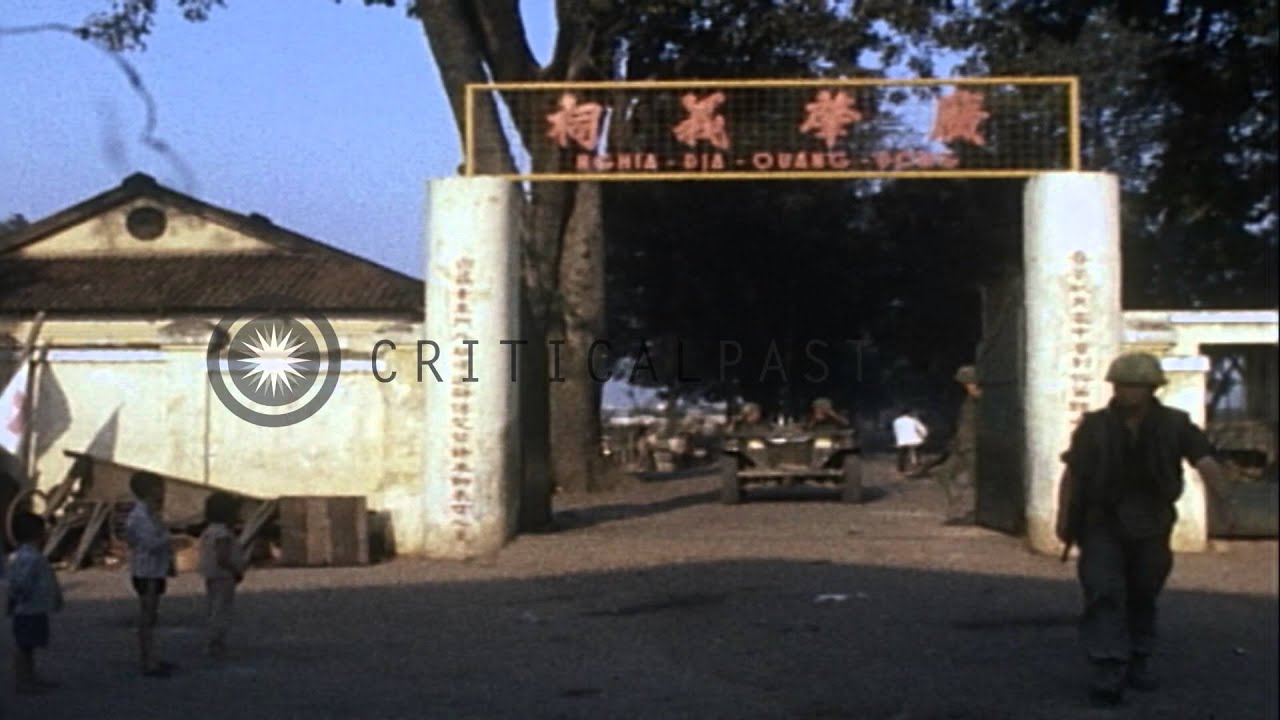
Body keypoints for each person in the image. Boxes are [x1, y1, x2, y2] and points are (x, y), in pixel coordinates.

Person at [1058, 352, 1223, 708]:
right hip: (1101, 520)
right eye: (1121, 385)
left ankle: (1139, 656)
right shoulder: (1095, 425)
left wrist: (1225, 503)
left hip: (1152, 521)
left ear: (1152, 389)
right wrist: (1064, 517)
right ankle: (1108, 668)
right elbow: (1073, 471)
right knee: (1104, 591)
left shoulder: (1175, 424)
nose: (1127, 392)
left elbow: (1204, 460)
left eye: (1135, 386)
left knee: (1143, 592)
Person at [6, 511, 63, 694]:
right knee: (23, 646)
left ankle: (30, 676)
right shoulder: (30, 558)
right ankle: (23, 681)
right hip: (28, 609)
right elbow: (21, 583)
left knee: (29, 645)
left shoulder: (28, 556)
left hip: (34, 607)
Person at [125, 470, 175, 677]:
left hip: (154, 568)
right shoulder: (140, 516)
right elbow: (150, 544)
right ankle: (148, 661)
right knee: (147, 616)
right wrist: (169, 539)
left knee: (152, 616)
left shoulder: (150, 513)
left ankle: (151, 656)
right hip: (146, 570)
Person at [199, 492, 246, 659]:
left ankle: (213, 641)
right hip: (224, 576)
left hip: (210, 574)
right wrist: (236, 570)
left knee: (213, 607)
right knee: (222, 609)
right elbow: (223, 556)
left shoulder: (208, 531)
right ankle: (216, 642)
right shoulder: (223, 533)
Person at [892, 408, 928, 474]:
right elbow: (923, 430)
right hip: (915, 441)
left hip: (902, 441)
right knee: (918, 451)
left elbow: (896, 432)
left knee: (902, 455)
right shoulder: (913, 420)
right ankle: (917, 464)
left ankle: (901, 469)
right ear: (909, 413)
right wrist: (923, 437)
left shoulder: (896, 421)